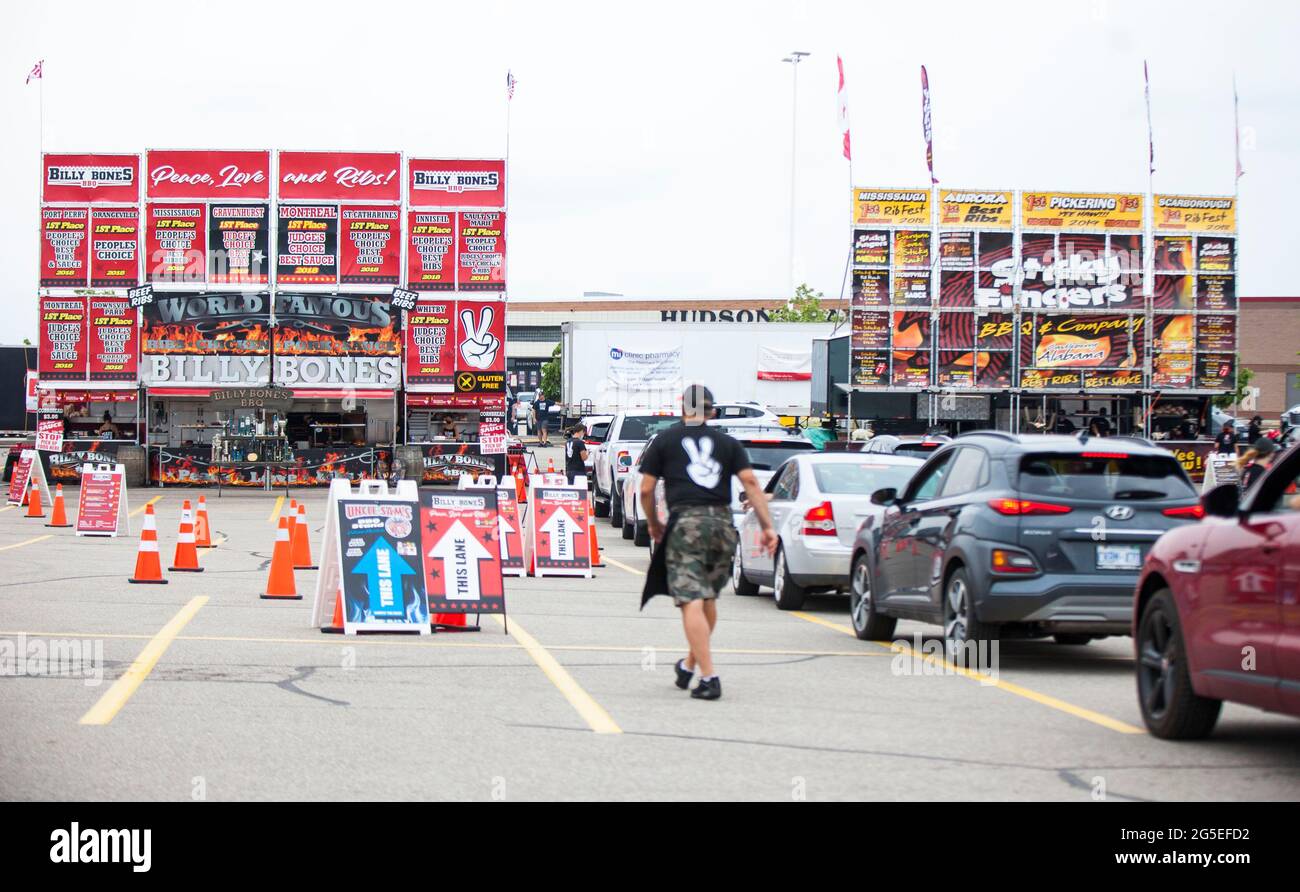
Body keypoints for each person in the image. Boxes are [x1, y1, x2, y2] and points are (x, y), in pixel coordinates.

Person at [638, 385, 777, 701]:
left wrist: (654, 523)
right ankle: (688, 664)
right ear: (712, 412)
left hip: (686, 523)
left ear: (681, 408)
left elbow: (646, 489)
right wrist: (768, 527)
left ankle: (709, 677)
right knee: (708, 597)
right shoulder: (729, 444)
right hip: (722, 523)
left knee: (691, 600)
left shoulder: (665, 441)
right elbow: (751, 483)